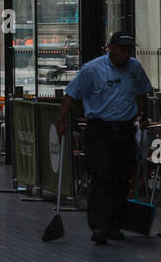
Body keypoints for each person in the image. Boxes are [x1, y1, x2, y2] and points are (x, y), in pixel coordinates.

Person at [57, 30, 151, 246]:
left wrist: (143, 115)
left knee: (121, 178)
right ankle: (99, 226)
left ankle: (114, 224)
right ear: (110, 48)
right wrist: (61, 119)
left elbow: (142, 92)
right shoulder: (92, 69)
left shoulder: (134, 68)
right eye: (121, 49)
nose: (126, 54)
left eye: (129, 49)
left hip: (125, 130)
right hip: (99, 130)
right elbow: (71, 94)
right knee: (101, 176)